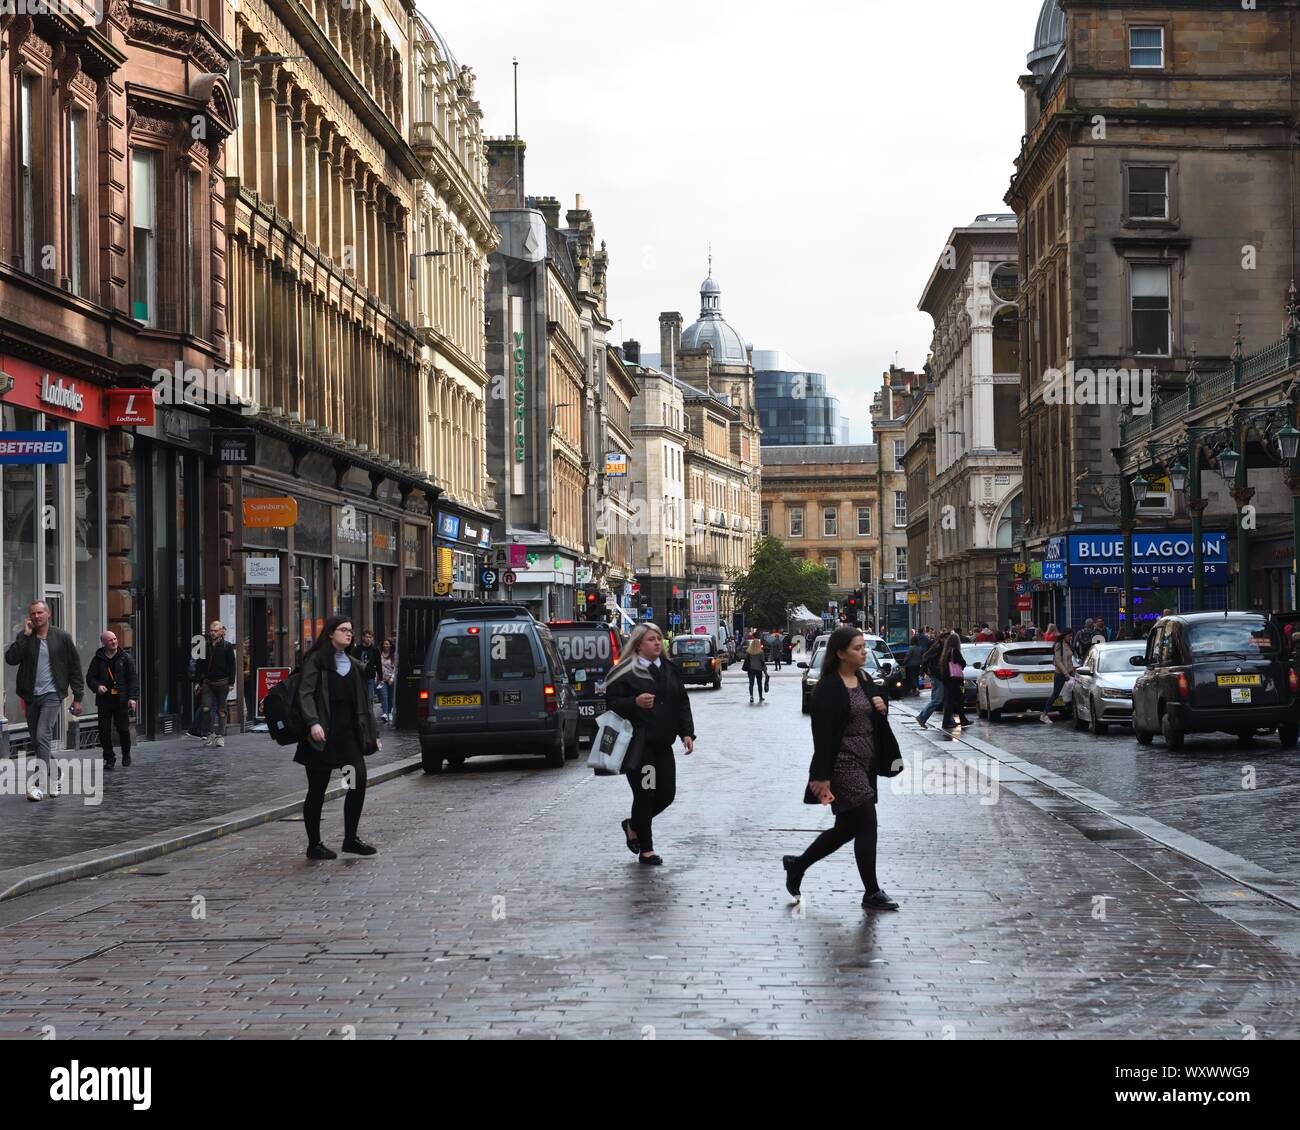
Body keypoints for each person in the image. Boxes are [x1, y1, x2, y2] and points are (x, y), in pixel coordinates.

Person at [783, 627, 900, 912]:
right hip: (842, 764)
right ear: (840, 653)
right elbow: (821, 737)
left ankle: (797, 865)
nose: (864, 652)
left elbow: (875, 711)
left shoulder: (863, 678)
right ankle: (871, 892)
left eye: (864, 647)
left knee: (847, 828)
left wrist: (880, 705)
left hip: (865, 761)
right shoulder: (827, 688)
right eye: (858, 648)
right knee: (868, 822)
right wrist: (821, 776)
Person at [604, 622, 695, 867]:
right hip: (638, 745)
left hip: (663, 743)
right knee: (645, 794)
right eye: (651, 639)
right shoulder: (624, 671)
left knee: (666, 794)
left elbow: (681, 701)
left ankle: (634, 825)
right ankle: (647, 849)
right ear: (637, 645)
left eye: (659, 638)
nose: (657, 643)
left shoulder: (669, 669)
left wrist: (687, 732)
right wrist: (635, 701)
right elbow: (611, 704)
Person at [294, 616, 381, 860]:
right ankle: (314, 845)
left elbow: (363, 704)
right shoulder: (316, 661)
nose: (348, 634)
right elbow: (305, 694)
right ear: (330, 634)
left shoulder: (353, 665)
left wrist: (372, 735)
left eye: (350, 630)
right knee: (317, 790)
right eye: (343, 630)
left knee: (356, 782)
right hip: (321, 739)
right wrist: (313, 723)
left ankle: (350, 839)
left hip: (347, 739)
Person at [5, 601, 84, 800]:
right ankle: (57, 775)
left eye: (40, 612)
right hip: (31, 696)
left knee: (42, 735)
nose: (37, 616)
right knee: (39, 741)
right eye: (33, 613)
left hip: (52, 694)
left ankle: (37, 785)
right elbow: (11, 659)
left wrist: (78, 698)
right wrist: (24, 636)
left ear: (48, 614)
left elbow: (74, 667)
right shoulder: (26, 637)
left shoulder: (62, 638)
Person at [86, 630, 138, 769]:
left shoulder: (125, 658)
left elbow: (133, 679)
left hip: (121, 699)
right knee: (103, 730)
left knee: (123, 730)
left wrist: (132, 698)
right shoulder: (98, 659)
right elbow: (90, 678)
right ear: (104, 643)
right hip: (104, 700)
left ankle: (126, 754)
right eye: (110, 640)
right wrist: (97, 687)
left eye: (115, 639)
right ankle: (109, 758)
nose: (114, 642)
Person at [192, 621, 236, 748]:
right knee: (205, 708)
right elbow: (200, 665)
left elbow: (232, 666)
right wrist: (197, 682)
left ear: (221, 632)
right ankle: (210, 733)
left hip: (223, 683)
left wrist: (231, 682)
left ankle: (220, 736)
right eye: (211, 630)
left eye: (215, 631)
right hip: (208, 683)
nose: (212, 633)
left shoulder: (227, 647)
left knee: (221, 711)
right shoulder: (205, 646)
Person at [1044, 626, 1077, 723]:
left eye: (1072, 636)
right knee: (1055, 694)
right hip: (1061, 674)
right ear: (1065, 635)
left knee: (1074, 693)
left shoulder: (1068, 644)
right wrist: (1066, 674)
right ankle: (1044, 714)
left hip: (1070, 672)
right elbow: (1058, 661)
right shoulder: (1059, 645)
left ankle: (1072, 713)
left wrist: (1072, 672)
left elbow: (1070, 660)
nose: (1071, 638)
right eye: (1070, 636)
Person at [939, 630, 970, 731]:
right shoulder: (955, 651)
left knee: (956, 700)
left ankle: (963, 719)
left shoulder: (947, 651)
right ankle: (946, 722)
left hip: (949, 680)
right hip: (955, 680)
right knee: (954, 701)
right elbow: (963, 663)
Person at [354, 630, 381, 716]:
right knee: (360, 696)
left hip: (370, 676)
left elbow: (378, 664)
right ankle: (360, 713)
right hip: (359, 677)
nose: (368, 639)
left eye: (370, 637)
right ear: (363, 638)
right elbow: (354, 663)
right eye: (367, 637)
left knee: (369, 697)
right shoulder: (357, 649)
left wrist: (381, 677)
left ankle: (369, 714)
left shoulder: (375, 650)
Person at [742, 636, 767, 704]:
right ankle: (760, 696)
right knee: (759, 684)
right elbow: (762, 662)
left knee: (751, 683)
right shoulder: (760, 652)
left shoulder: (749, 652)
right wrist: (765, 670)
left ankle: (751, 696)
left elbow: (746, 660)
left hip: (751, 669)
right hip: (759, 669)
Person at [378, 638, 397, 724]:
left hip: (391, 679)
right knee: (384, 696)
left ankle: (390, 712)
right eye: (384, 644)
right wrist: (380, 677)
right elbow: (377, 667)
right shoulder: (379, 655)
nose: (385, 646)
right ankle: (385, 713)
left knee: (390, 697)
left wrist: (392, 679)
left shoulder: (394, 655)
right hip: (382, 679)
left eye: (387, 644)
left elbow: (396, 668)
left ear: (390, 645)